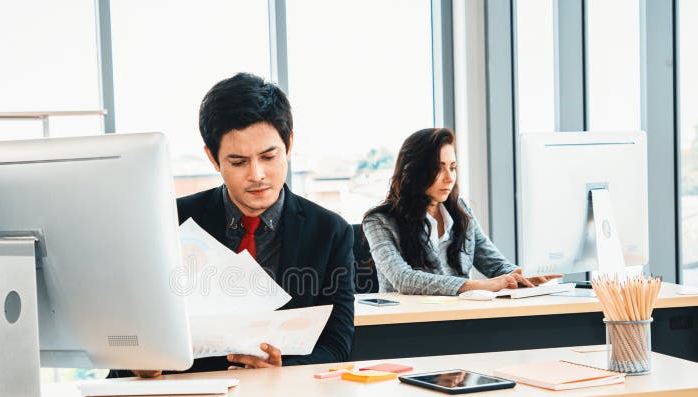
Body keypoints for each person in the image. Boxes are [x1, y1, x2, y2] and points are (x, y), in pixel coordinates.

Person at [114, 72, 354, 378]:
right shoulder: (169, 223)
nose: (257, 174)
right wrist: (139, 361)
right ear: (213, 159)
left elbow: (337, 345)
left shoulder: (329, 231)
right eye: (238, 162)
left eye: (269, 156)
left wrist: (282, 368)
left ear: (289, 144)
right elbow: (123, 335)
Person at [362, 127, 561, 295]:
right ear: (414, 170)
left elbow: (495, 265)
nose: (449, 178)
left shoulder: (461, 212)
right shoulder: (379, 221)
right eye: (439, 169)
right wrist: (474, 286)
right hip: (404, 326)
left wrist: (522, 276)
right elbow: (402, 278)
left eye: (453, 167)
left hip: (459, 323)